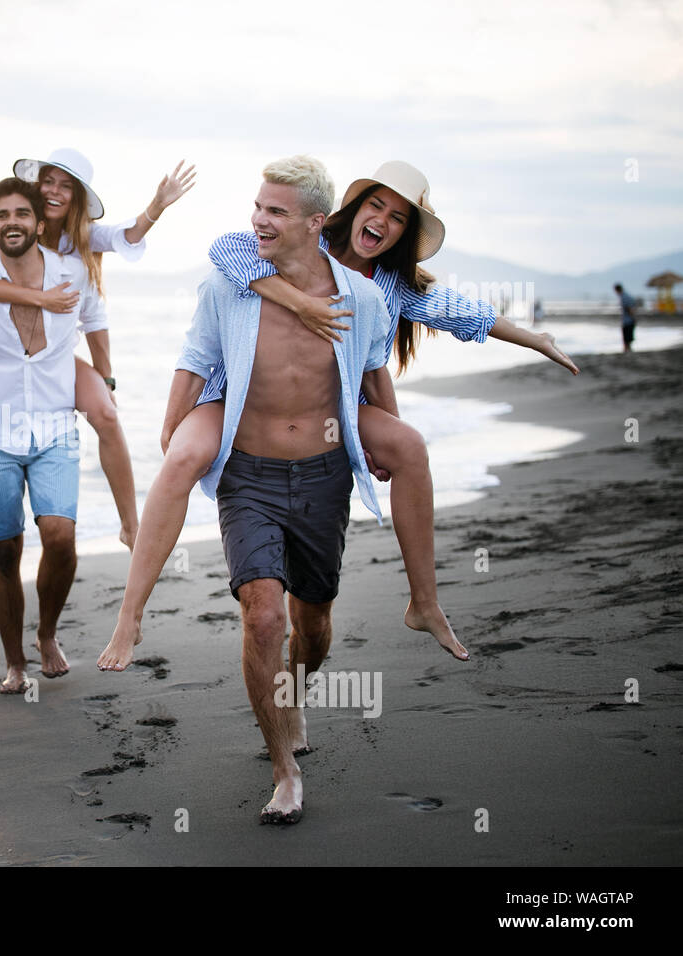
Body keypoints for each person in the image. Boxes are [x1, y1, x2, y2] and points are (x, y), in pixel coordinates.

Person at [98, 160, 579, 672]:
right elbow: (225, 254)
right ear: (349, 211)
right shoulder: (291, 241)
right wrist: (298, 303)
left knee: (409, 446)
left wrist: (535, 338)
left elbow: (460, 318)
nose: (382, 221)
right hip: (241, 396)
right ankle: (131, 615)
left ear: (405, 233)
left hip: (338, 408)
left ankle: (425, 602)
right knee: (184, 453)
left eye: (397, 217)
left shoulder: (389, 287)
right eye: (376, 205)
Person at [151, 156, 394, 823]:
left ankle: (295, 692)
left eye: (277, 211)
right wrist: (174, 429)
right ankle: (284, 769)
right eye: (258, 206)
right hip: (248, 471)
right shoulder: (228, 286)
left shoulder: (363, 299)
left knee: (311, 625)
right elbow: (198, 358)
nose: (260, 219)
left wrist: (388, 441)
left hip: (322, 475)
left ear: (317, 224)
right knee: (263, 614)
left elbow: (373, 376)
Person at [0, 150, 196, 585]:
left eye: (64, 185)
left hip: (51, 354)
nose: (53, 190)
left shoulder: (79, 242)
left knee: (106, 415)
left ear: (76, 198)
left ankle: (131, 526)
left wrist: (157, 206)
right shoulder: (8, 228)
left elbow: (117, 262)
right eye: (48, 181)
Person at [0, 177, 105, 693]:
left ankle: (47, 633)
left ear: (37, 221)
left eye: (21, 214)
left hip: (53, 427)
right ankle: (15, 662)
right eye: (2, 215)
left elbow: (95, 317)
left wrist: (104, 373)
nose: (12, 222)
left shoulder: (69, 274)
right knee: (4, 548)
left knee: (61, 537)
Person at [615, 283, 636, 351]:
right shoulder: (626, 296)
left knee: (627, 337)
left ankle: (627, 349)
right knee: (628, 337)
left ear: (617, 290)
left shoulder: (624, 297)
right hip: (628, 320)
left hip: (627, 320)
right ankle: (628, 349)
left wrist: (632, 317)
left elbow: (629, 308)